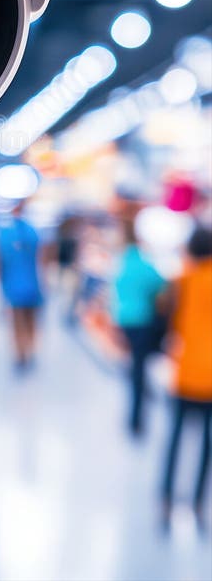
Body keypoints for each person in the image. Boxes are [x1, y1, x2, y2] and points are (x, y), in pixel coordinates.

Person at [161, 226, 212, 531]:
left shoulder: (182, 280)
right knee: (207, 443)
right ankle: (197, 502)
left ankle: (166, 499)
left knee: (176, 439)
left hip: (185, 372)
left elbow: (170, 323)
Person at [112, 218, 167, 436]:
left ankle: (135, 414)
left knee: (136, 365)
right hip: (142, 321)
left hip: (125, 321)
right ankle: (136, 418)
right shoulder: (144, 264)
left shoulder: (121, 262)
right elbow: (162, 284)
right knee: (139, 368)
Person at [0, 201, 44, 371]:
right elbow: (41, 258)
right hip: (31, 284)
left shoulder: (6, 234)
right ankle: (28, 349)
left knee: (17, 321)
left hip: (14, 285)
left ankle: (21, 352)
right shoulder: (32, 232)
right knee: (30, 320)